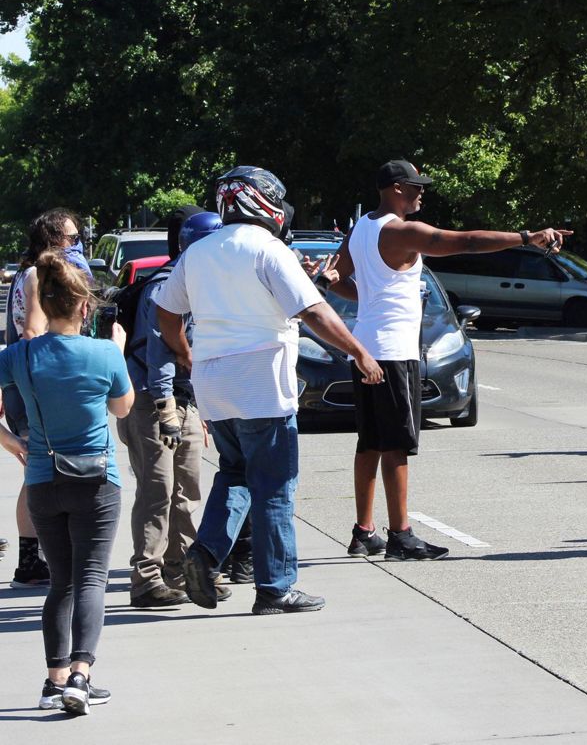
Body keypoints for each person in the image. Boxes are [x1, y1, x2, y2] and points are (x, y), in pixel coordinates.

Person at [156, 166, 385, 615]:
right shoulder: (269, 249)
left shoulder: (198, 252)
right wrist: (359, 351)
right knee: (276, 486)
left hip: (214, 383)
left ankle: (204, 554)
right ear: (262, 203)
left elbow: (166, 313)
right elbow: (314, 311)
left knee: (236, 472)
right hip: (261, 381)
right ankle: (275, 588)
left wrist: (185, 353)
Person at [329, 160, 569, 560]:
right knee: (397, 446)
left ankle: (364, 530)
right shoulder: (402, 230)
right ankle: (401, 536)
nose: (422, 192)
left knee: (370, 442)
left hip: (367, 349)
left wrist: (371, 297)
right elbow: (466, 241)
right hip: (394, 354)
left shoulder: (362, 228)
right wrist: (527, 237)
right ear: (397, 188)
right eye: (417, 186)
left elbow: (340, 279)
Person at [0, 250, 134, 715]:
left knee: (61, 582)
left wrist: (9, 441)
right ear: (84, 307)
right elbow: (122, 409)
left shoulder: (18, 354)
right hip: (97, 480)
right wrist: (116, 353)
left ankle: (53, 681)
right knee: (91, 578)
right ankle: (81, 674)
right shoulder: (102, 352)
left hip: (42, 477)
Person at [119, 210, 223, 608]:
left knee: (187, 491)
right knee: (157, 491)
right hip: (153, 400)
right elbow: (160, 353)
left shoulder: (198, 283)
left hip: (185, 400)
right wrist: (166, 410)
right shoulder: (167, 287)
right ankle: (146, 578)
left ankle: (180, 570)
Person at [3, 209, 87, 588]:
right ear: (54, 240)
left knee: (37, 473)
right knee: (40, 474)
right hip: (35, 388)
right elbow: (33, 333)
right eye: (72, 238)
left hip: (25, 386)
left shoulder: (29, 273)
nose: (77, 244)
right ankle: (33, 561)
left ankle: (31, 560)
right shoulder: (38, 275)